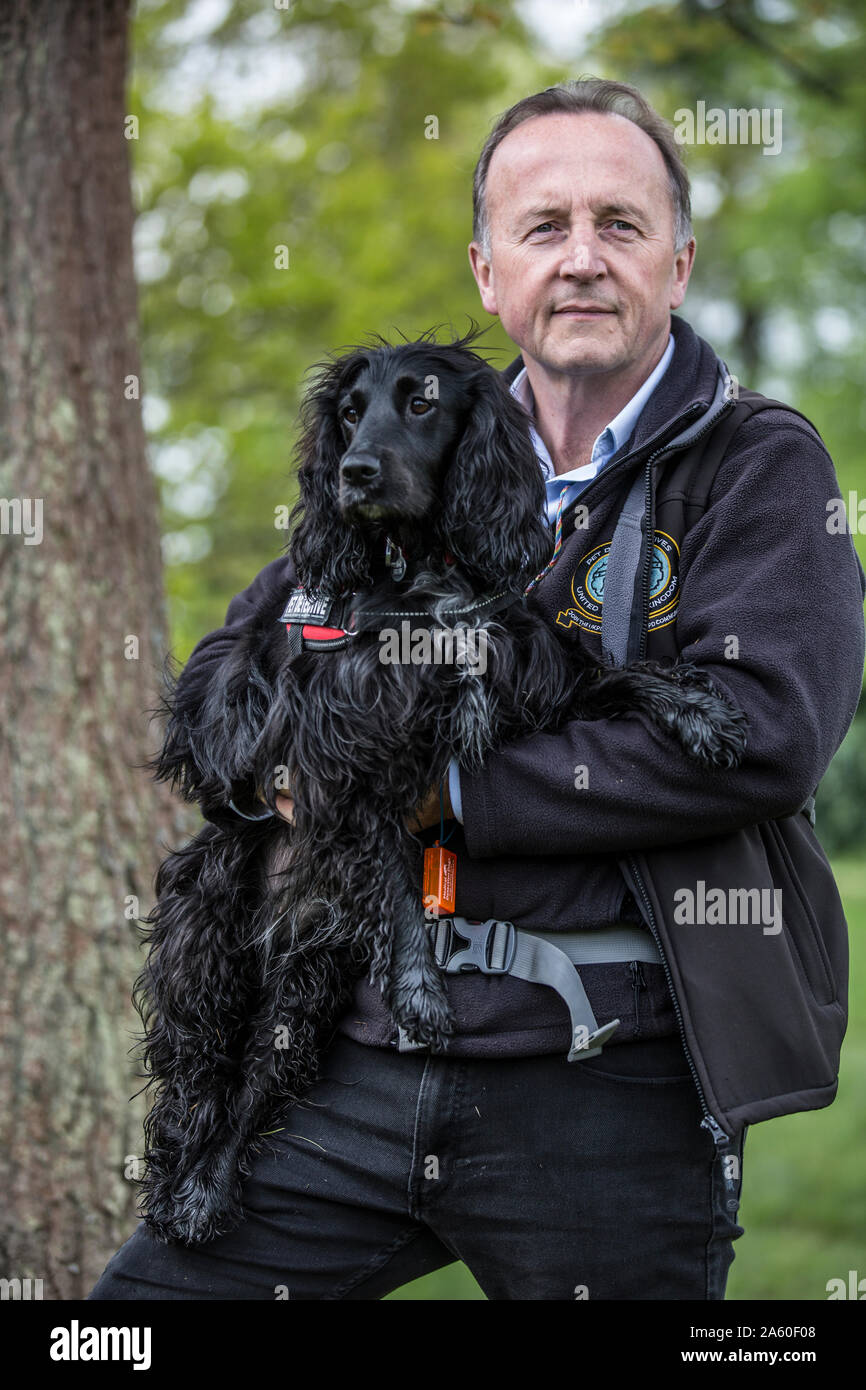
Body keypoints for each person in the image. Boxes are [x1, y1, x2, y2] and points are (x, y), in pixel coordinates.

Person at [89, 77, 865, 1301]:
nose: (580, 260)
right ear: (487, 269)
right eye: (541, 226)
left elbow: (762, 735)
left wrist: (438, 789)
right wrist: (293, 763)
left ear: (676, 261)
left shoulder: (755, 463)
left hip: (603, 1073)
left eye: (617, 224)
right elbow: (228, 682)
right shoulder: (408, 448)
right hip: (341, 1061)